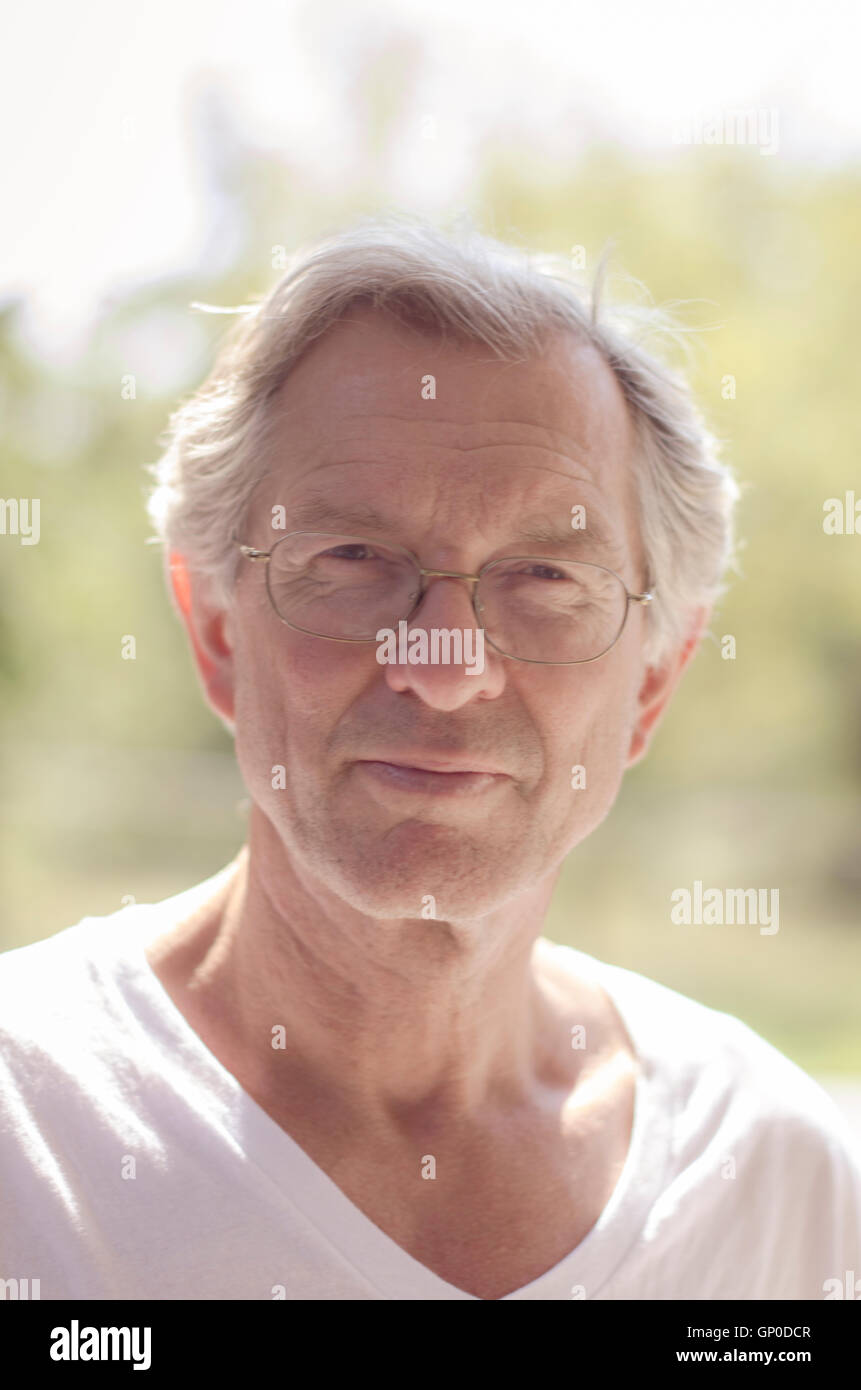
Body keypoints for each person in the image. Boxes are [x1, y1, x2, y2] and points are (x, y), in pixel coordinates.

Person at [1, 216, 859, 1302]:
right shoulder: (29, 1143)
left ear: (652, 680)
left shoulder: (767, 1178)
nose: (445, 663)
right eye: (353, 558)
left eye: (546, 577)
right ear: (217, 630)